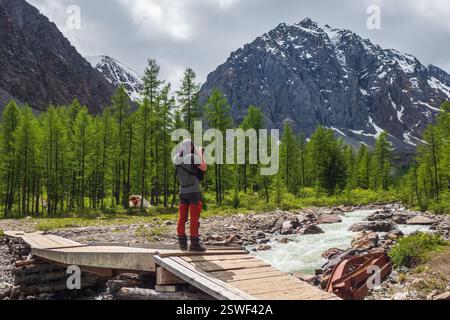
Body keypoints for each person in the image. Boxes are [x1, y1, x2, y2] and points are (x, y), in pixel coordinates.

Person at [174, 139, 207, 252]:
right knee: (194, 219)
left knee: (182, 218)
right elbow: (203, 167)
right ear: (191, 147)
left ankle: (182, 245)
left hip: (182, 192)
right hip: (194, 192)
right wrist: (200, 154)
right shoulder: (193, 157)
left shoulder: (177, 159)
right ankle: (194, 245)